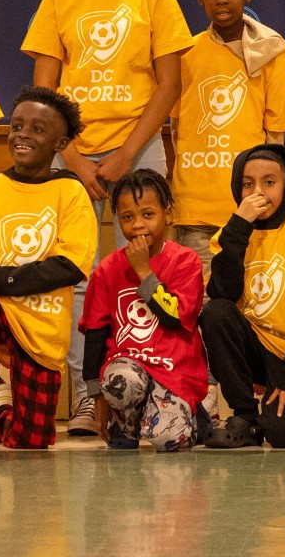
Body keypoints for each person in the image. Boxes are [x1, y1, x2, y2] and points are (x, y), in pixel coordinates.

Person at [22, 0, 191, 434]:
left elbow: (170, 85)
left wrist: (123, 157)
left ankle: (147, 388)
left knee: (141, 270)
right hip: (69, 158)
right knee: (74, 281)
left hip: (137, 153)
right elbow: (41, 93)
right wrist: (70, 156)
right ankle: (91, 396)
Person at [0, 88, 98, 459]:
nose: (23, 134)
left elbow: (69, 267)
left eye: (38, 130)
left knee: (30, 441)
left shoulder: (71, 193)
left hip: (41, 329)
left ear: (60, 142)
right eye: (16, 126)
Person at [200, 144, 285, 450]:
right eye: (248, 184)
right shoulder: (229, 233)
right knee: (215, 312)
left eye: (269, 182)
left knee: (283, 434)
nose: (258, 192)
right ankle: (244, 416)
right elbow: (222, 293)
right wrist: (239, 227)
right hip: (252, 346)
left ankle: (280, 409)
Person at [171, 0, 285, 275]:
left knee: (252, 304)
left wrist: (265, 195)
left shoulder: (272, 52)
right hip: (196, 206)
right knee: (199, 303)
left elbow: (277, 133)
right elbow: (177, 126)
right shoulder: (186, 53)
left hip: (249, 204)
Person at [80, 170, 208, 452]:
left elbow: (174, 316)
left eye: (148, 214)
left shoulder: (185, 261)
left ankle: (194, 414)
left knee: (168, 441)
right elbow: (95, 332)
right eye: (127, 217)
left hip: (174, 370)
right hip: (128, 367)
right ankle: (127, 423)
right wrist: (97, 398)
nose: (138, 225)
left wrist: (142, 270)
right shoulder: (106, 270)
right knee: (120, 381)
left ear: (168, 214)